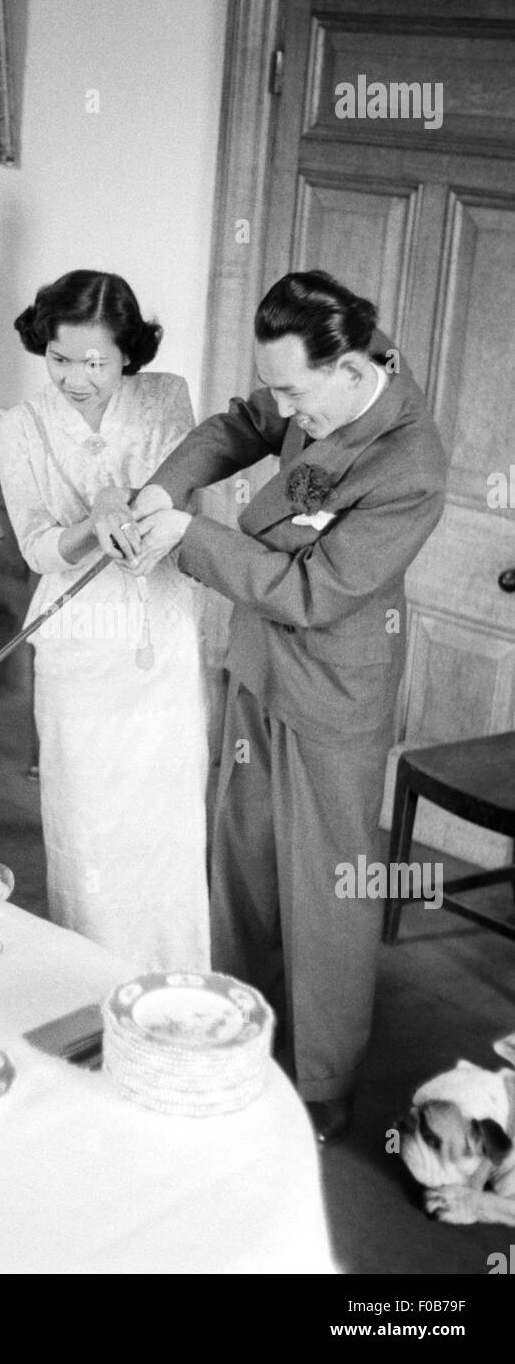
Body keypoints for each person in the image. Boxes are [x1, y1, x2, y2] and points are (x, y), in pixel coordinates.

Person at [122, 271, 447, 1142]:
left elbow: (315, 593)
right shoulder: (315, 391)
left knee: (330, 889)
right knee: (242, 860)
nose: (283, 408)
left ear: (351, 369)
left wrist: (190, 536)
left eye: (295, 390)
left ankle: (325, 1081)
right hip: (260, 661)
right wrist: (164, 489)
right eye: (276, 385)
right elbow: (240, 424)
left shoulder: (409, 463)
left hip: (333, 685)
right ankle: (239, 1029)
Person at [0, 270, 209, 970]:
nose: (76, 378)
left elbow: (183, 500)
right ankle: (93, 982)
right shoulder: (20, 426)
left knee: (165, 823)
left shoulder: (167, 397)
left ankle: (173, 984)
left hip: (163, 636)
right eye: (60, 358)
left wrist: (130, 505)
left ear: (127, 353)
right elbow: (36, 545)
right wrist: (94, 520)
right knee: (87, 827)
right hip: (79, 644)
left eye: (96, 361)